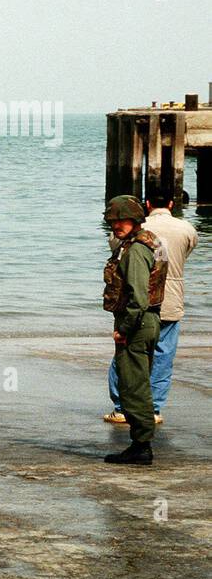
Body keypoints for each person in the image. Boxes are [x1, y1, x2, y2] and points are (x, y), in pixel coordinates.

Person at [104, 189, 197, 426]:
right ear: (171, 203)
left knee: (125, 357)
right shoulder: (186, 229)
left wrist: (123, 327)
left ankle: (121, 407)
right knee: (163, 357)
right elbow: (185, 254)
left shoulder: (130, 240)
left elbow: (122, 265)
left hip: (138, 306)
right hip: (171, 298)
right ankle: (153, 408)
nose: (115, 225)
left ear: (145, 205)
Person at [100, 195, 168, 465]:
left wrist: (124, 328)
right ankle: (140, 444)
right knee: (136, 382)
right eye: (113, 221)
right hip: (148, 321)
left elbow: (138, 297)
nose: (116, 225)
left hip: (137, 323)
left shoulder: (137, 250)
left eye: (121, 220)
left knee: (133, 386)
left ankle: (141, 446)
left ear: (135, 219)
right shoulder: (150, 240)